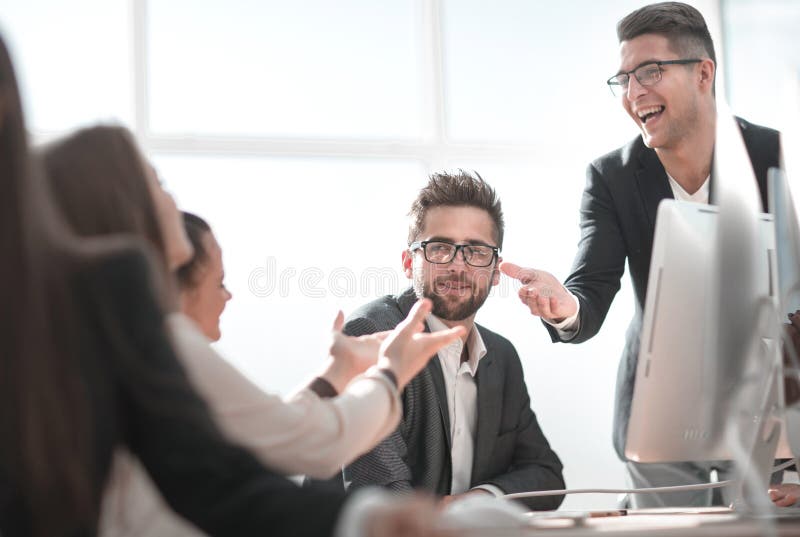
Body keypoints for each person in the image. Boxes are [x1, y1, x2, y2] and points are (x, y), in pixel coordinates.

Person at [0, 31, 459, 536]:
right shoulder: (157, 335)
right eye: (158, 182)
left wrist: (336, 374)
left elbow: (247, 443)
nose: (174, 201)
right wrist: (391, 373)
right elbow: (286, 446)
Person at [499, 2, 780, 508]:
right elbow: (591, 287)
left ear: (703, 73)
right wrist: (567, 308)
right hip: (662, 412)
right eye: (623, 79)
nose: (633, 93)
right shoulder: (612, 176)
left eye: (650, 72)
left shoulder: (776, 158)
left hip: (768, 401)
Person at [337, 170, 565, 510]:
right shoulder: (374, 334)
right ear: (407, 262)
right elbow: (378, 492)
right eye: (440, 249)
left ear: (495, 270)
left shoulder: (501, 356)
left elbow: (546, 476)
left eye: (475, 251)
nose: (458, 266)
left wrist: (477, 501)